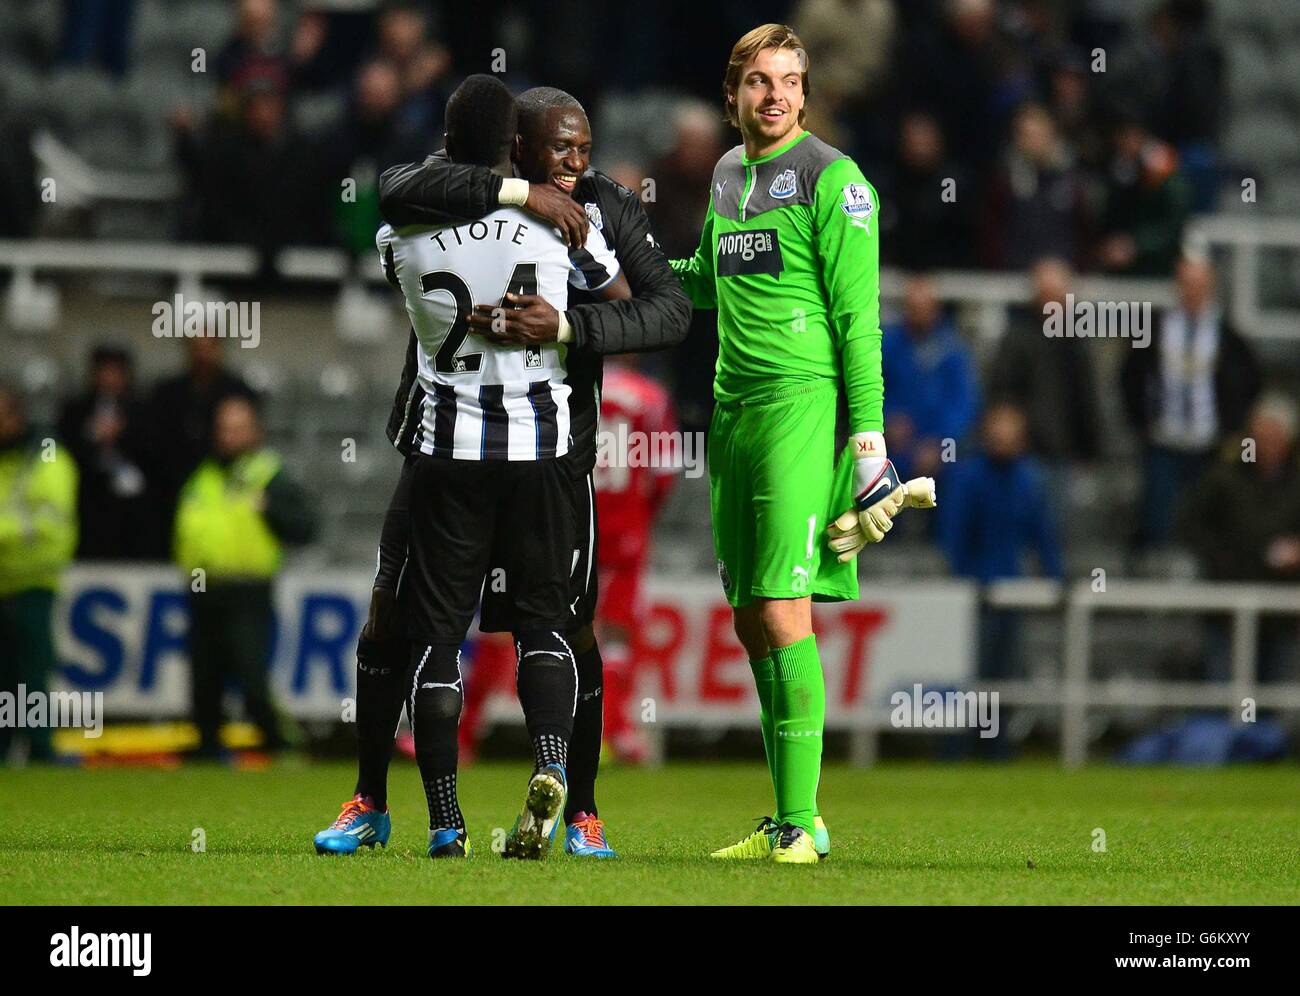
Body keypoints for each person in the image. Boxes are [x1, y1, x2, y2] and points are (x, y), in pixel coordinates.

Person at [315, 83, 689, 859]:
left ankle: (579, 809)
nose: (575, 165)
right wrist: (519, 197)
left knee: (567, 632)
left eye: (584, 149)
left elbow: (668, 312)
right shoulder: (470, 196)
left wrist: (570, 325)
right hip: (442, 446)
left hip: (552, 452)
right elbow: (400, 183)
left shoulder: (604, 206)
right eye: (561, 149)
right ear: (517, 148)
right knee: (391, 619)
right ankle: (369, 797)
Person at [670, 24, 932, 864]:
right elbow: (706, 280)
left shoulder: (835, 179)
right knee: (751, 619)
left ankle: (801, 824)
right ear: (733, 94)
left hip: (802, 408)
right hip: (734, 410)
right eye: (758, 81)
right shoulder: (724, 175)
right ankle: (794, 816)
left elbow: (860, 321)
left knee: (785, 613)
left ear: (805, 94)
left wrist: (867, 440)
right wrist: (621, 260)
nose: (774, 95)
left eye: (789, 81)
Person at [174, 395, 317, 759]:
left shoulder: (269, 475)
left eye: (238, 428)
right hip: (203, 589)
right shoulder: (201, 476)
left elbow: (305, 527)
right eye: (224, 428)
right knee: (204, 680)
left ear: (256, 432)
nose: (229, 436)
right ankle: (207, 750)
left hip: (248, 590)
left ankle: (280, 742)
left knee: (250, 674)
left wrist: (271, 511)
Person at [1121, 255, 1260, 548]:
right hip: (1163, 440)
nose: (1193, 292)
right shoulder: (1155, 330)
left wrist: (1232, 427)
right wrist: (1142, 423)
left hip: (1209, 444)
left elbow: (1248, 384)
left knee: (1208, 518)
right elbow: (1130, 378)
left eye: (1200, 285)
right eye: (1187, 284)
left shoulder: (1229, 337)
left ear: (1211, 287)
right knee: (1158, 517)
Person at [592, 358, 679, 762]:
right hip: (626, 525)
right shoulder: (649, 396)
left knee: (568, 627)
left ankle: (572, 733)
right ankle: (617, 730)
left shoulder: (567, 383)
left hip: (575, 523)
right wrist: (645, 515)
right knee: (618, 633)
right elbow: (665, 468)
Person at [1179, 395, 1300, 683]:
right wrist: (1226, 557)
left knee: (1273, 694)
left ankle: (1266, 728)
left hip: (1281, 608)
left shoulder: (1296, 481)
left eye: (1273, 437)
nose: (1265, 444)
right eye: (1259, 436)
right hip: (1228, 605)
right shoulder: (1224, 476)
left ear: (1287, 439)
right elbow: (1189, 526)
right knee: (1226, 692)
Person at [940, 401, 1063, 682]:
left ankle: (1000, 726)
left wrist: (1055, 577)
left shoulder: (1029, 480)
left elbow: (1043, 535)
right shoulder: (969, 478)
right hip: (976, 592)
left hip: (1012, 589)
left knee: (1005, 674)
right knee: (972, 672)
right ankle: (968, 727)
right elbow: (954, 535)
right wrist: (966, 579)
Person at [0, 386, 77, 764]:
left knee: (31, 675)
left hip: (32, 583)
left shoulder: (47, 459)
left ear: (17, 416)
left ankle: (40, 752)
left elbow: (51, 522)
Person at [882, 274, 980, 483]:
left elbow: (964, 404)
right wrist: (887, 419)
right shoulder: (887, 345)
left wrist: (940, 442)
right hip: (894, 444)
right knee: (876, 470)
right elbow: (873, 391)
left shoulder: (953, 349)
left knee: (960, 465)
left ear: (936, 309)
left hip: (944, 447)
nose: (918, 314)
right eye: (913, 307)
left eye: (924, 307)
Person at [57, 345, 152, 560]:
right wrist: (91, 436)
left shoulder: (142, 410)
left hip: (133, 513)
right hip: (89, 505)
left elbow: (155, 454)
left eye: (115, 372)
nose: (109, 378)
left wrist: (123, 433)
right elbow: (62, 453)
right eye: (103, 371)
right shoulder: (75, 411)